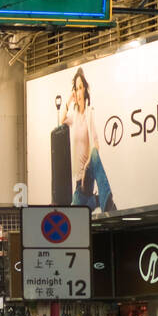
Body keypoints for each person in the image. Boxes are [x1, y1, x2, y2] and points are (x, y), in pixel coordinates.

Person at [60, 67, 115, 211]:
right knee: (76, 209)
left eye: (80, 88)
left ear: (84, 90)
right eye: (76, 89)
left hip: (88, 170)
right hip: (80, 185)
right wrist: (69, 100)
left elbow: (96, 144)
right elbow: (62, 119)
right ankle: (94, 200)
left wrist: (87, 165)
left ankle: (108, 202)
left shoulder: (89, 112)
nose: (78, 92)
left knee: (95, 154)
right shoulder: (74, 116)